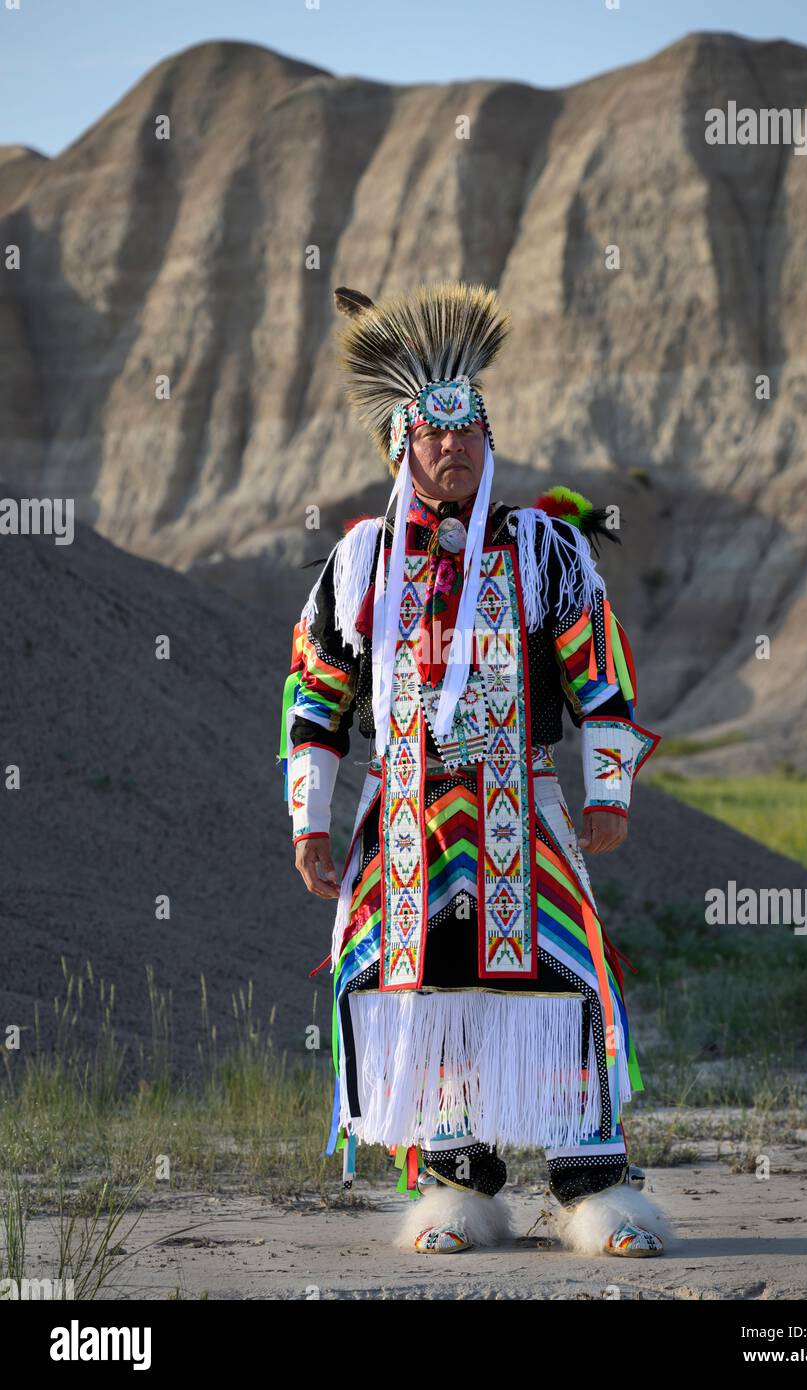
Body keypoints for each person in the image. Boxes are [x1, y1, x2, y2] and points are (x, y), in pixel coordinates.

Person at [277, 280, 672, 1257]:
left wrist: (607, 792)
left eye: (468, 433)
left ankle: (593, 1188)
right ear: (403, 449)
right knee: (431, 997)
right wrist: (310, 822)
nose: (452, 450)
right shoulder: (360, 564)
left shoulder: (545, 548)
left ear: (487, 440)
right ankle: (457, 1189)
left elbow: (601, 679)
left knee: (569, 981)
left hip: (522, 811)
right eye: (432, 437)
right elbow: (317, 695)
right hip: (405, 819)